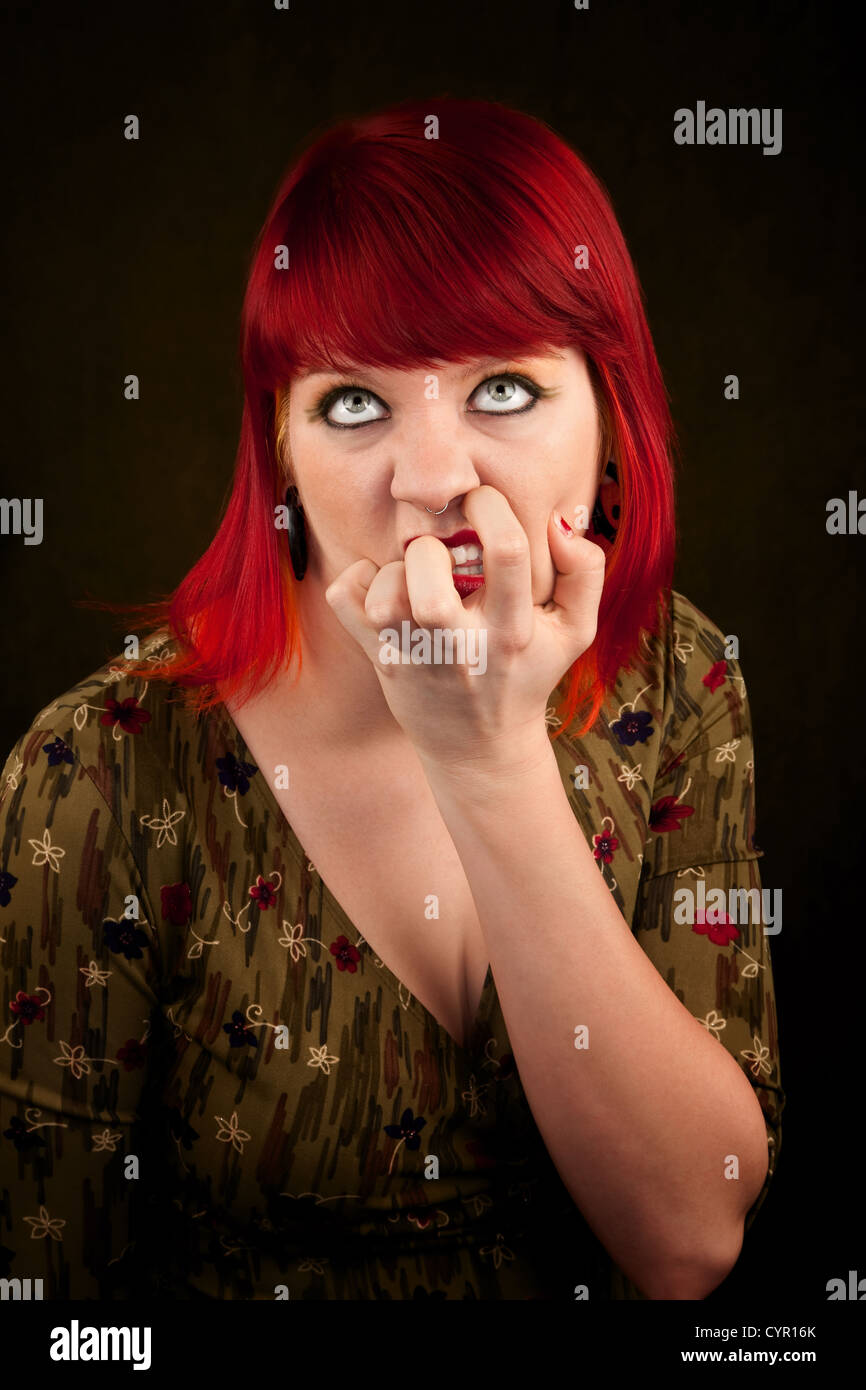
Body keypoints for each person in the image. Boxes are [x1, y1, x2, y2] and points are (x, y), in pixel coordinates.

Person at [0, 96, 784, 1301]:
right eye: (353, 402)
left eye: (505, 389)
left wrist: (488, 761)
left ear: (609, 418)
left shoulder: (678, 680)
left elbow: (687, 1241)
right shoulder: (96, 770)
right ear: (281, 449)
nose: (429, 478)